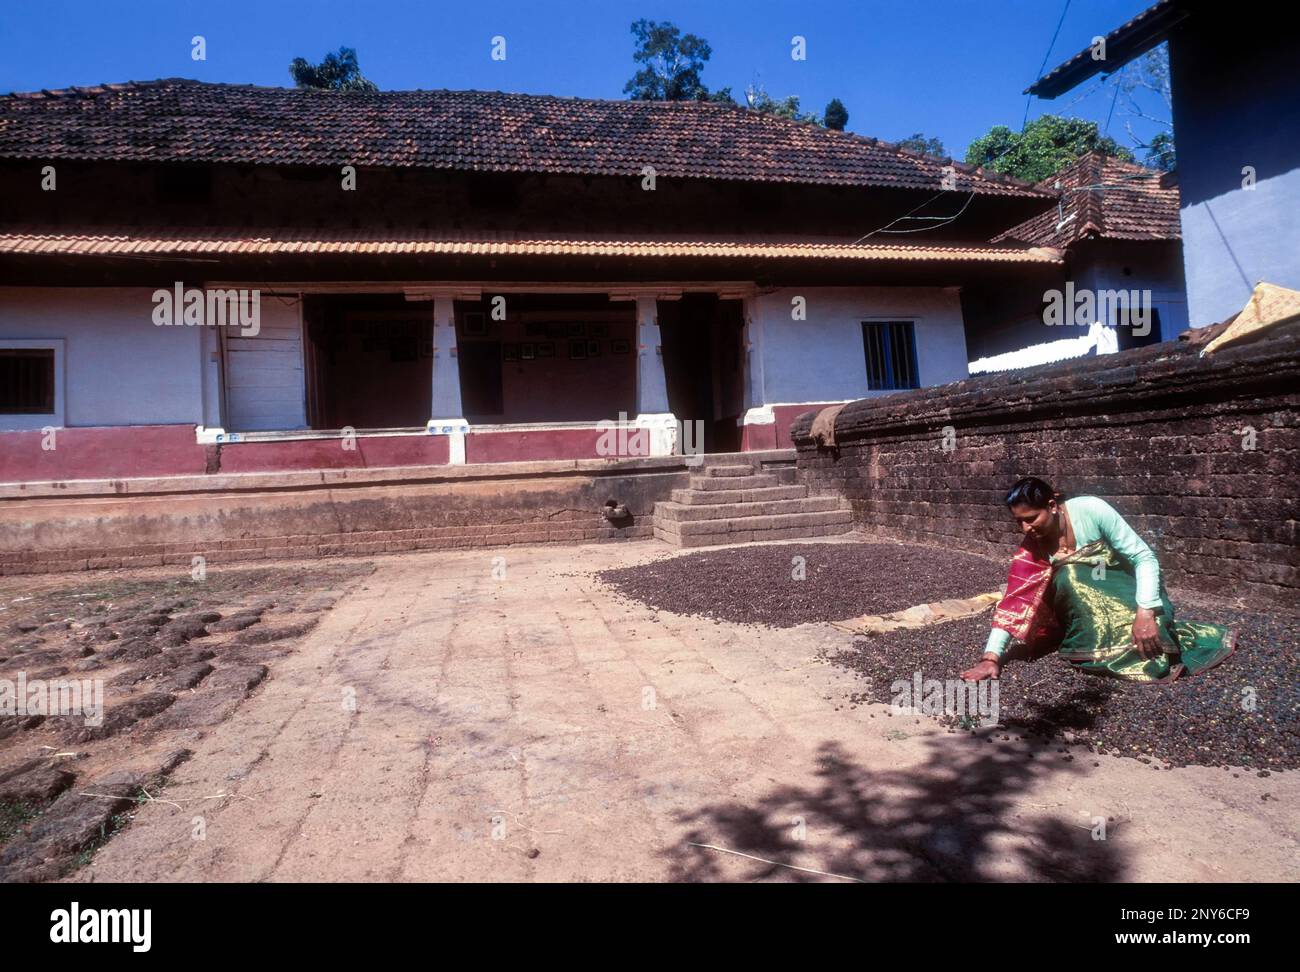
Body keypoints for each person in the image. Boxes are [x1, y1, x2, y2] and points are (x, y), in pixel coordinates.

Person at [960, 477, 1236, 683]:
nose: (1025, 528)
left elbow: (1144, 557)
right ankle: (1094, 645)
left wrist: (1146, 611)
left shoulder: (1092, 509)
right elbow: (1014, 600)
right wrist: (990, 658)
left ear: (1053, 506)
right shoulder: (1032, 546)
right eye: (1018, 522)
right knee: (1070, 575)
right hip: (1082, 605)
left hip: (1126, 587)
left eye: (1031, 519)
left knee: (1156, 633)